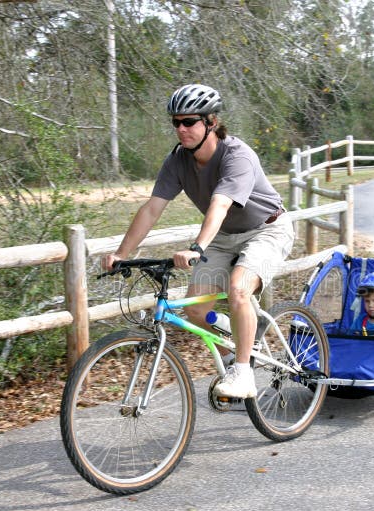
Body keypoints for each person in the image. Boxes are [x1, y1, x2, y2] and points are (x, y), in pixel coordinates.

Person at [101, 84, 294, 399]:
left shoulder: (237, 156)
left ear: (211, 122)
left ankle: (244, 375)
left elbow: (220, 204)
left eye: (189, 122)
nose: (181, 129)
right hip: (224, 236)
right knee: (196, 309)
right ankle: (235, 354)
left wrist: (197, 247)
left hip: (267, 229)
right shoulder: (177, 161)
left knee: (238, 289)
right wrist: (121, 253)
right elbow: (152, 209)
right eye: (176, 122)